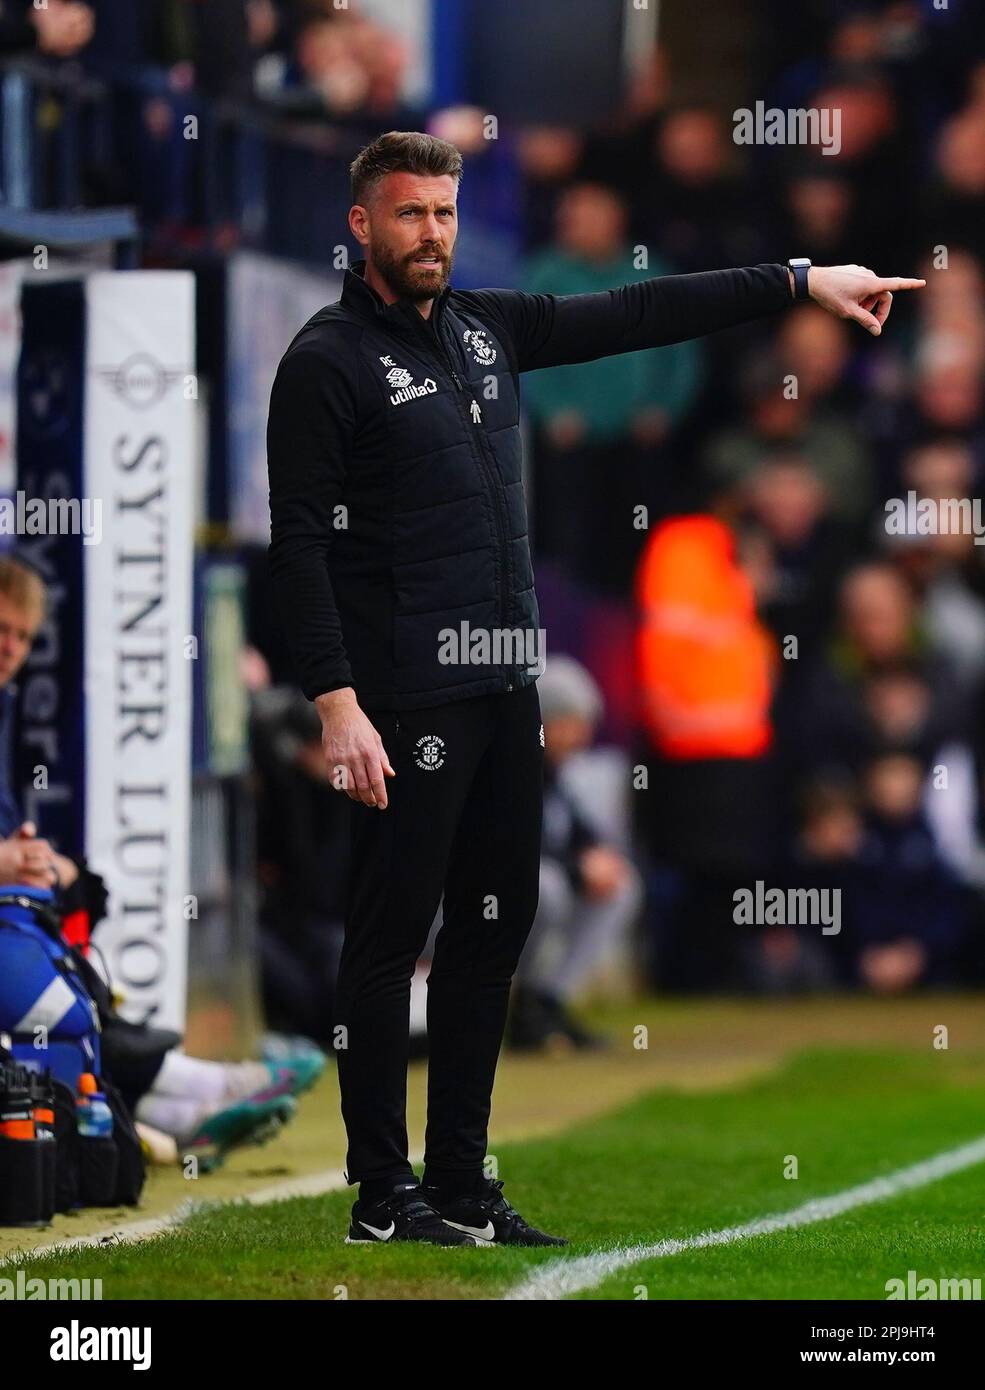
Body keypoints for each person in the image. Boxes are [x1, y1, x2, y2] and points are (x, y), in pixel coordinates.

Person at [265, 128, 924, 1246]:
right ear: (361, 224)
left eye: (445, 212)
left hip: (501, 688)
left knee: (493, 929)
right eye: (411, 214)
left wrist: (805, 280)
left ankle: (463, 1181)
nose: (433, 233)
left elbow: (639, 312)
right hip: (404, 700)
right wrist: (336, 700)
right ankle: (383, 1192)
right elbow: (297, 547)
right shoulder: (324, 361)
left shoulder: (485, 330)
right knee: (389, 936)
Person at [509, 655, 642, 1051]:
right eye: (573, 723)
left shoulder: (553, 774)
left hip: (541, 884)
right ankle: (516, 1005)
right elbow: (512, 842)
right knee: (545, 886)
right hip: (463, 905)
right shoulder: (510, 764)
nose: (582, 738)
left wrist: (597, 857)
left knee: (621, 885)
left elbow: (582, 832)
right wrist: (576, 870)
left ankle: (546, 1002)